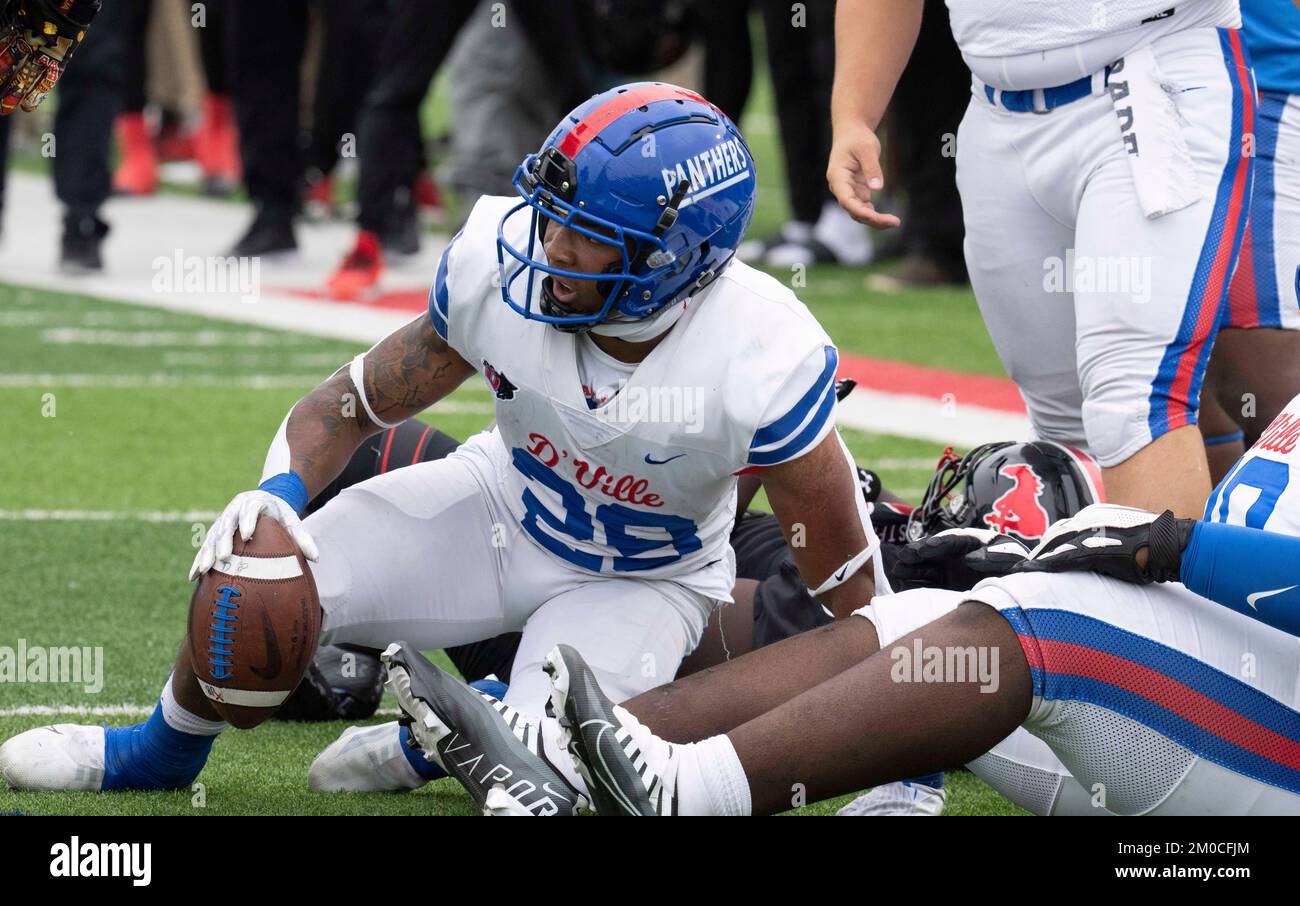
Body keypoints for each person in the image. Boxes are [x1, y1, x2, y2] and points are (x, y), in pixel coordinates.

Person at [0, 84, 887, 814]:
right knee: (256, 571)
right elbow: (344, 407)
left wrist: (902, 749)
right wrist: (274, 494)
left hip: (643, 583)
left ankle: (457, 731)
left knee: (541, 787)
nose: (551, 244)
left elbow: (847, 577)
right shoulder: (501, 268)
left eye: (588, 235)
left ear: (676, 259)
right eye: (553, 213)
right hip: (498, 510)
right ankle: (163, 752)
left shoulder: (758, 353)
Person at [527, 392, 1300, 816]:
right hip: (1237, 699)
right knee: (925, 620)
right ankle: (549, 765)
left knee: (1046, 624)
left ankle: (689, 794)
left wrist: (1178, 549)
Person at [829, 0, 1254, 520]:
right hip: (994, 107)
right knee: (1064, 427)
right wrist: (855, 114)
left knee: (1134, 396)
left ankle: (1169, 601)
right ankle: (1098, 595)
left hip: (1152, 74)